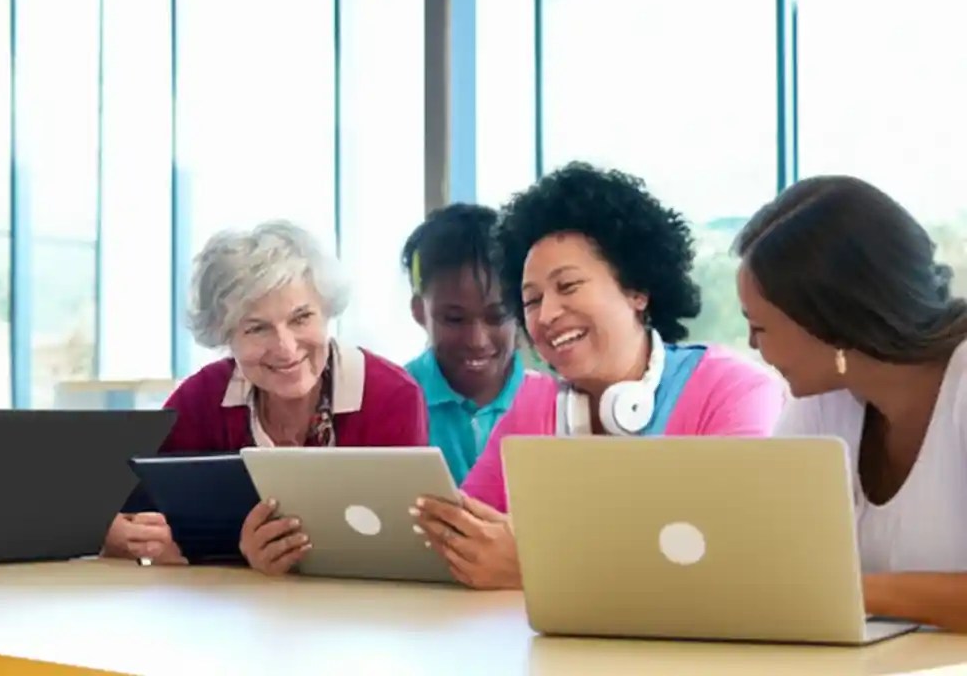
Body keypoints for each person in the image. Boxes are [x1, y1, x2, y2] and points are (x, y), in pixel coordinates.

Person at [413, 162, 784, 589]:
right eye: (531, 300)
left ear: (637, 290)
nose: (548, 314)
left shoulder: (732, 390)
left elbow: (732, 562)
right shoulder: (535, 404)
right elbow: (462, 535)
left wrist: (540, 567)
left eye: (568, 286)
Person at [103, 221, 428, 574]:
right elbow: (130, 510)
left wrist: (256, 560)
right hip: (225, 613)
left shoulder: (390, 395)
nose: (286, 348)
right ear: (224, 335)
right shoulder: (199, 400)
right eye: (257, 328)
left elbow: (401, 548)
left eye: (301, 318)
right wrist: (127, 536)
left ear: (327, 312)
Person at [735, 175, 967, 633]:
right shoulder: (823, 402)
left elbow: (815, 586)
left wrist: (856, 592)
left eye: (759, 328)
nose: (750, 344)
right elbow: (769, 554)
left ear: (831, 321)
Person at [401, 203, 524, 484]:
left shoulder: (556, 403)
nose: (476, 340)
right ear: (419, 311)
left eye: (497, 316)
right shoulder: (391, 401)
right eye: (454, 319)